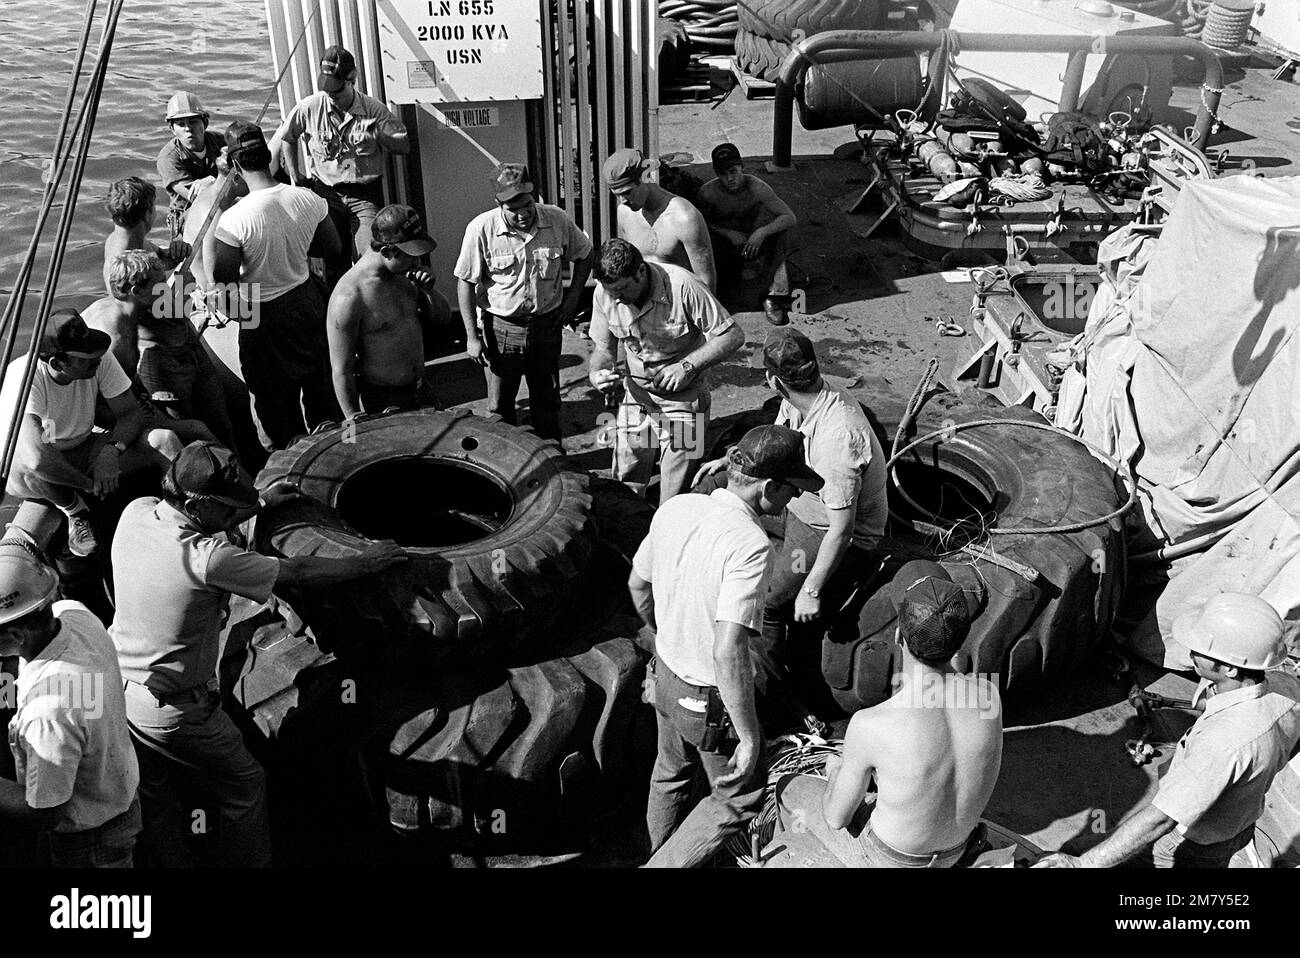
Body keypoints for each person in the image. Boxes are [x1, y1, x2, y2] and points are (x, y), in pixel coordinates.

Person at [109, 440, 407, 867]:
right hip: (174, 708)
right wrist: (367, 561)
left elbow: (203, 518)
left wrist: (262, 502)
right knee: (245, 784)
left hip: (121, 684)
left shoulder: (136, 512)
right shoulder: (206, 560)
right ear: (199, 502)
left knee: (157, 795)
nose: (236, 515)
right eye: (229, 508)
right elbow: (298, 571)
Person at [629, 425, 824, 867]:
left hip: (664, 675)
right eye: (792, 489)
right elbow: (728, 649)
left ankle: (660, 850)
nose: (793, 500)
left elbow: (638, 585)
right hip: (706, 699)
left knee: (670, 775)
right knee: (739, 796)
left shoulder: (678, 507)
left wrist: (665, 640)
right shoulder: (751, 545)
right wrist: (752, 736)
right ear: (769, 485)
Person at [694, 328, 887, 716]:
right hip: (800, 499)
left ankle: (765, 700)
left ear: (773, 379)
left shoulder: (838, 436)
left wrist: (812, 590)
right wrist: (734, 459)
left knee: (767, 605)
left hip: (825, 528)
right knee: (712, 483)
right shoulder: (802, 400)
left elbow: (843, 529)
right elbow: (779, 441)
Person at [1037, 593, 1300, 869]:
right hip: (1236, 828)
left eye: (1202, 650)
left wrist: (1083, 864)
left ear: (1231, 669)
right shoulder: (1287, 689)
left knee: (1077, 851)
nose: (1190, 653)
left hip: (1188, 842)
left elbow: (1160, 819)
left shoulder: (1227, 742)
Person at [773, 561, 1003, 868]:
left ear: (898, 637)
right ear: (961, 639)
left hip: (890, 859)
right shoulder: (989, 697)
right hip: (957, 851)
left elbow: (837, 817)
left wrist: (835, 772)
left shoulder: (871, 724)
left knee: (789, 787)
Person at [0, 309, 184, 557]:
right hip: (43, 456)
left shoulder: (97, 357)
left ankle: (189, 514)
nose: (96, 358)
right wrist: (89, 484)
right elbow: (36, 458)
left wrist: (110, 451)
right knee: (29, 462)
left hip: (83, 445)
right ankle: (75, 511)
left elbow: (131, 413)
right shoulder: (24, 376)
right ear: (57, 363)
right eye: (85, 357)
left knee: (163, 440)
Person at [0, 545, 141, 867]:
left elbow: (45, 813)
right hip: (116, 793)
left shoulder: (48, 712)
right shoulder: (75, 615)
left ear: (17, 634)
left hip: (91, 840)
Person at [210, 120, 343, 450]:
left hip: (261, 314)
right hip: (306, 301)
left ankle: (283, 466)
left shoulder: (234, 219)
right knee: (318, 387)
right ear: (268, 155)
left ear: (235, 165)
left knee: (272, 403)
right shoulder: (307, 198)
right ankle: (328, 448)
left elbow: (222, 279)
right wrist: (291, 246)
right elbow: (332, 248)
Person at [588, 238, 742, 501]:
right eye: (610, 291)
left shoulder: (683, 286)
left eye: (622, 290)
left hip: (684, 402)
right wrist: (598, 374)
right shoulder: (606, 293)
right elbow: (603, 350)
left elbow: (732, 336)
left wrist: (686, 366)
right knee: (626, 480)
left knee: (675, 493)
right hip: (636, 399)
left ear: (640, 271)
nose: (617, 299)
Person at [454, 163, 594, 441]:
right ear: (499, 204)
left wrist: (574, 297)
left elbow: (585, 253)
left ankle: (552, 455)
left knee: (547, 399)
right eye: (513, 208)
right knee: (499, 407)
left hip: (547, 326)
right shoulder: (481, 229)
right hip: (502, 329)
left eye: (527, 204)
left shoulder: (557, 219)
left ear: (534, 197)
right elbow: (465, 282)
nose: (522, 213)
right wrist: (472, 336)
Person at [269, 45, 410, 285]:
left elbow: (403, 147)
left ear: (352, 79)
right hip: (326, 196)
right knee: (333, 264)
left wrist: (378, 132)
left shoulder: (374, 110)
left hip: (364, 197)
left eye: (336, 89)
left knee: (371, 261)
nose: (330, 95)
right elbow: (287, 138)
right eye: (326, 88)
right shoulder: (310, 107)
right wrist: (296, 178)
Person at [83, 249, 235, 446]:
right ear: (137, 292)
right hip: (118, 414)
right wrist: (140, 420)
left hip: (130, 401)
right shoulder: (116, 342)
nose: (166, 291)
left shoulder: (113, 307)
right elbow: (95, 405)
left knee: (204, 427)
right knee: (196, 431)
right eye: (160, 286)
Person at [328, 204, 452, 417]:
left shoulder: (407, 275)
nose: (417, 260)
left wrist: (430, 291)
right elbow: (341, 370)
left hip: (422, 390)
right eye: (411, 254)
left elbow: (443, 320)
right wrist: (352, 421)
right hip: (384, 401)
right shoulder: (349, 296)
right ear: (386, 251)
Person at [695, 143, 797, 325]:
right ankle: (715, 290)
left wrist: (762, 232)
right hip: (723, 248)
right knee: (724, 288)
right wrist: (727, 233)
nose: (730, 178)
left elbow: (789, 217)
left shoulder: (757, 187)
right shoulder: (708, 193)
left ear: (742, 167)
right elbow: (698, 224)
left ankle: (774, 297)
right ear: (717, 174)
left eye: (733, 171)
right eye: (723, 174)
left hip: (751, 242)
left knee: (780, 234)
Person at [602, 148, 717, 292]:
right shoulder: (624, 213)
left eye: (627, 192)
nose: (622, 201)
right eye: (617, 195)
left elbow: (707, 283)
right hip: (645, 302)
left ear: (644, 178)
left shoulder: (684, 218)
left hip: (681, 303)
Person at [102, 176, 189, 295]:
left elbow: (162, 260)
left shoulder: (130, 237)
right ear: (147, 214)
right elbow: (128, 304)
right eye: (154, 206)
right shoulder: (125, 260)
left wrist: (177, 252)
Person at [156, 91, 224, 238]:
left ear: (204, 123)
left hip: (223, 203)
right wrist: (214, 181)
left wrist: (210, 181)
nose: (188, 129)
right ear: (172, 129)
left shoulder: (220, 142)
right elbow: (197, 197)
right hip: (186, 216)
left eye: (193, 122)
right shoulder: (168, 158)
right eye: (181, 124)